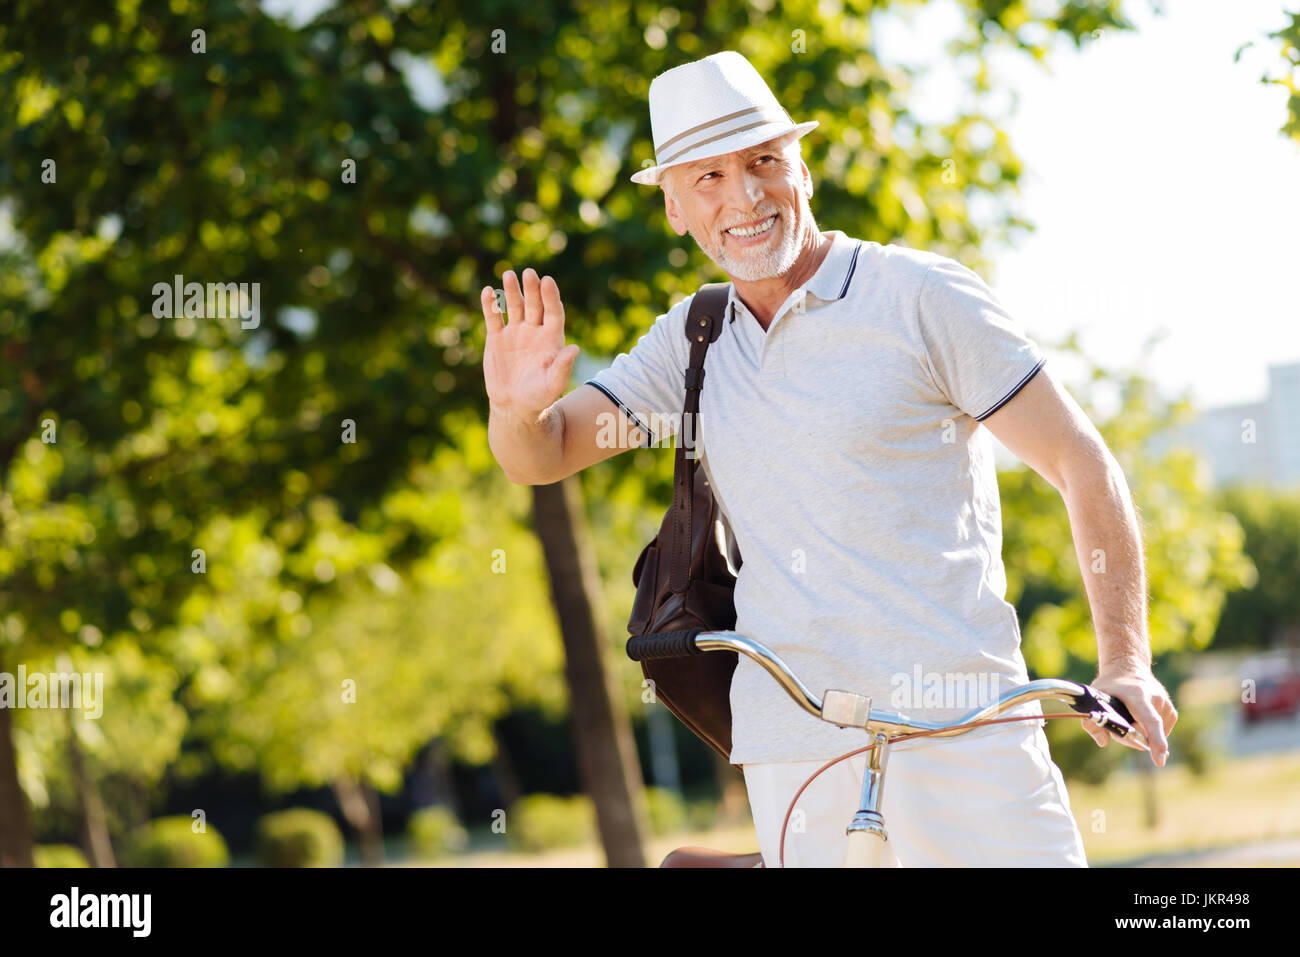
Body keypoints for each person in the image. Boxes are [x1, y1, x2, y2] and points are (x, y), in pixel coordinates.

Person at [479, 50, 1177, 867]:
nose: (744, 196)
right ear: (672, 206)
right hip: (797, 756)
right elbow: (546, 454)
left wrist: (1126, 661)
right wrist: (514, 409)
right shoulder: (692, 342)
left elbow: (1080, 462)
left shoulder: (921, 298)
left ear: (801, 166)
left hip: (966, 728)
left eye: (764, 161)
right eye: (707, 178)